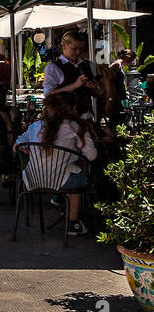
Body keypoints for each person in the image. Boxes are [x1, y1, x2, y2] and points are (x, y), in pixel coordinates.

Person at [15, 91, 98, 237]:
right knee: (79, 171)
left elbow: (18, 143)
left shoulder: (35, 126)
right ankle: (73, 223)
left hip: (33, 179)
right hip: (62, 180)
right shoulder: (75, 127)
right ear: (73, 108)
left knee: (69, 166)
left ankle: (58, 198)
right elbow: (92, 156)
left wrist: (28, 150)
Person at [42, 30, 97, 120]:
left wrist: (94, 88)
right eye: (74, 48)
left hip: (87, 117)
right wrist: (74, 85)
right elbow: (48, 95)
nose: (78, 52)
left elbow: (95, 94)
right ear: (64, 46)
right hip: (64, 118)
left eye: (81, 49)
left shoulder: (88, 65)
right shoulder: (53, 68)